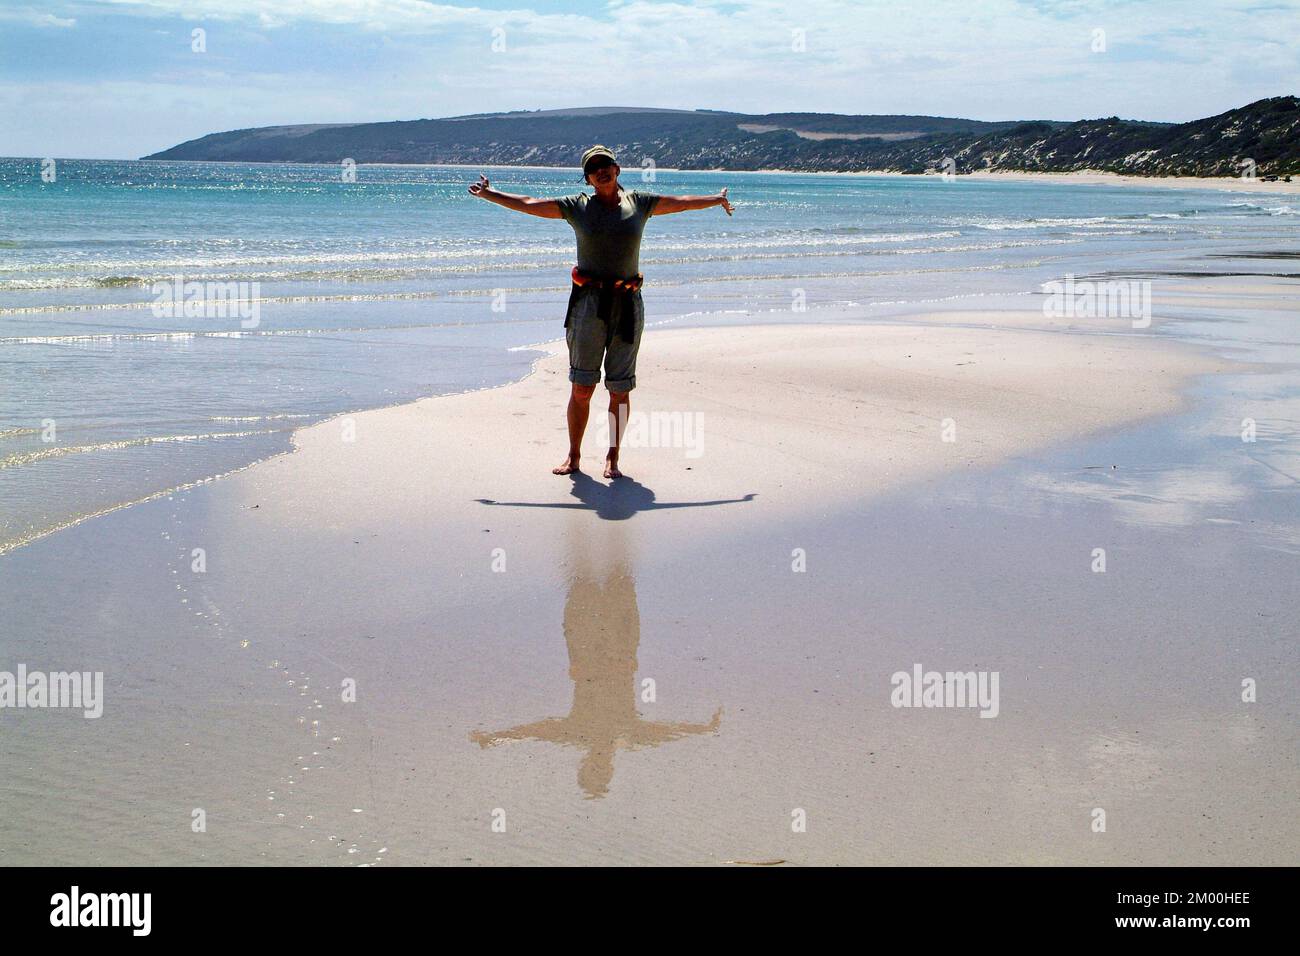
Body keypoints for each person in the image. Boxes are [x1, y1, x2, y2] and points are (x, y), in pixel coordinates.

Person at [469, 145, 734, 479]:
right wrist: (490, 194)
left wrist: (715, 198)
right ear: (588, 178)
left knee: (619, 388)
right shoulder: (577, 207)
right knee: (582, 387)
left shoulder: (639, 203)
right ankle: (574, 456)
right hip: (588, 305)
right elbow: (531, 204)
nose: (601, 171)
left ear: (617, 168)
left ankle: (613, 457)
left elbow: (680, 202)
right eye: (593, 168)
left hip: (627, 304)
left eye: (605, 164)